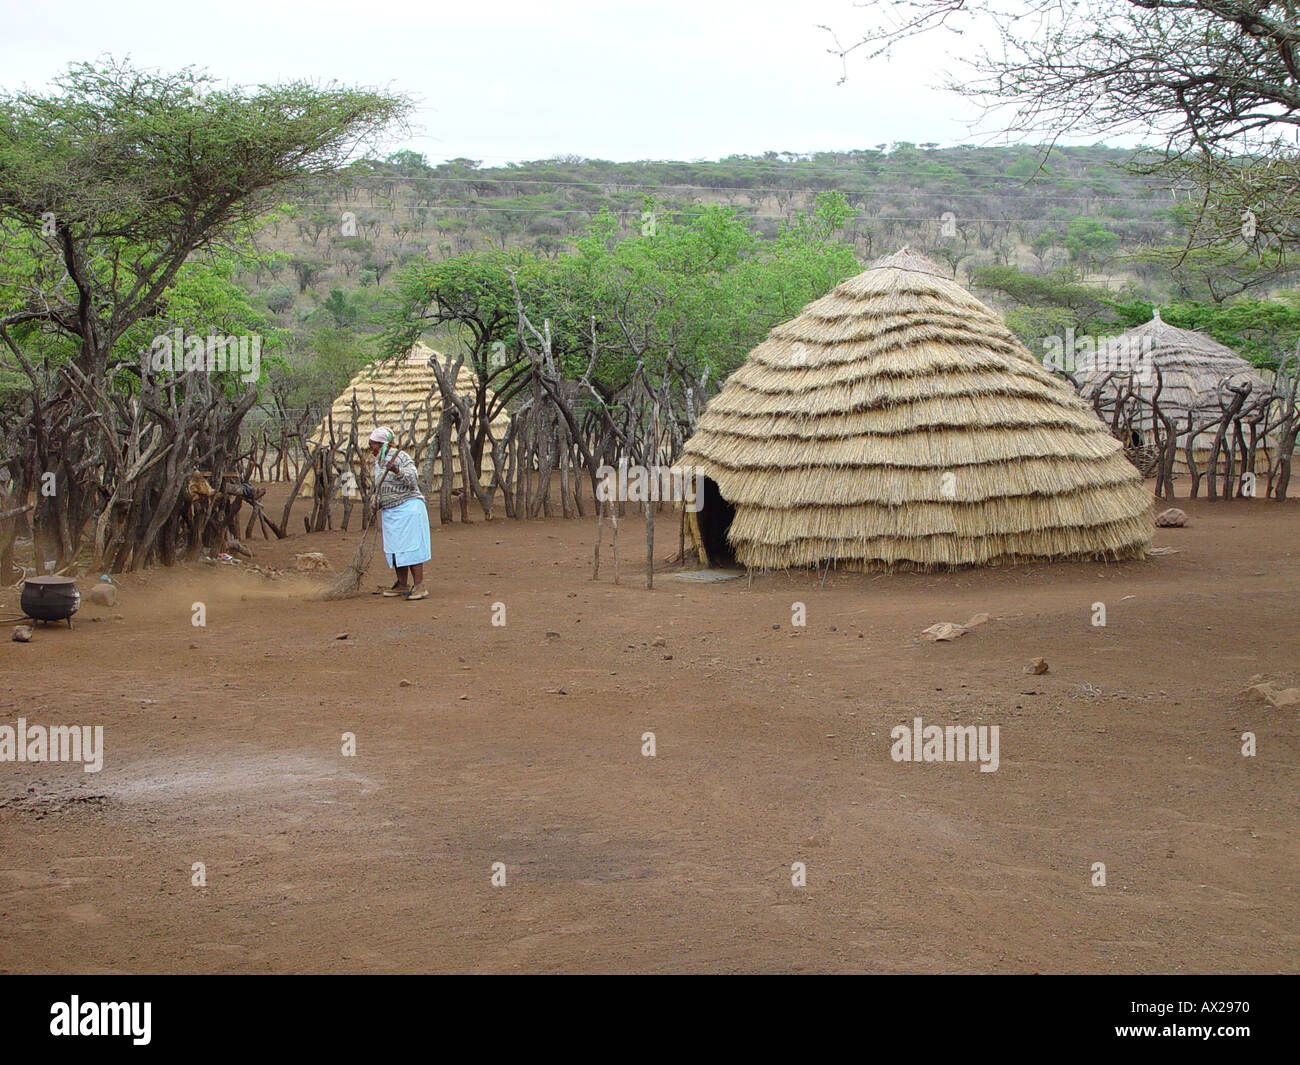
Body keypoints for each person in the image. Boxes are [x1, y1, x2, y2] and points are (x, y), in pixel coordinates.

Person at [367, 427, 430, 601]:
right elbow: (383, 486)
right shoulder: (379, 462)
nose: (370, 448)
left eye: (372, 444)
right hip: (391, 512)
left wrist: (397, 470)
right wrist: (377, 501)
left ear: (380, 444)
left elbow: (412, 478)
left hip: (408, 508)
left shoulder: (400, 457)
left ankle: (419, 586)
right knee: (395, 549)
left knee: (411, 548)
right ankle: (402, 583)